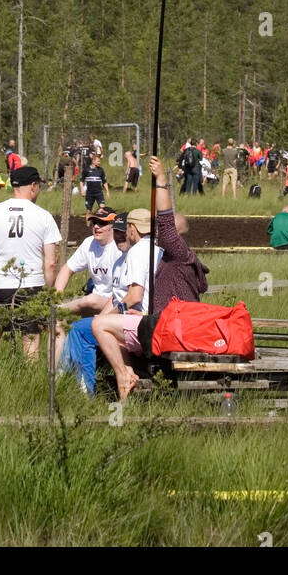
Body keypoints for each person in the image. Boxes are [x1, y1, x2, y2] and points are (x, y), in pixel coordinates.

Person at [92, 156, 208, 398]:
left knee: (99, 324)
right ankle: (128, 382)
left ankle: (124, 376)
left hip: (169, 328)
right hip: (166, 324)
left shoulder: (177, 254)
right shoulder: (179, 259)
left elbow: (165, 222)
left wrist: (162, 180)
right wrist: (144, 314)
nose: (157, 231)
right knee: (118, 333)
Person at [0, 165, 61, 369]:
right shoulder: (44, 216)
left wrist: (4, 257)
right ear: (33, 186)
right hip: (32, 285)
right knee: (30, 342)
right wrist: (48, 292)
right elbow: (50, 262)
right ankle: (30, 382)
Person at [53, 206, 125, 356]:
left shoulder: (119, 248)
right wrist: (56, 297)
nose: (97, 227)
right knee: (57, 322)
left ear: (113, 227)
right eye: (94, 223)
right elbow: (67, 269)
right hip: (95, 300)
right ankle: (58, 371)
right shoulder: (89, 243)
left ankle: (56, 310)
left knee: (89, 300)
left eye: (102, 223)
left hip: (115, 302)